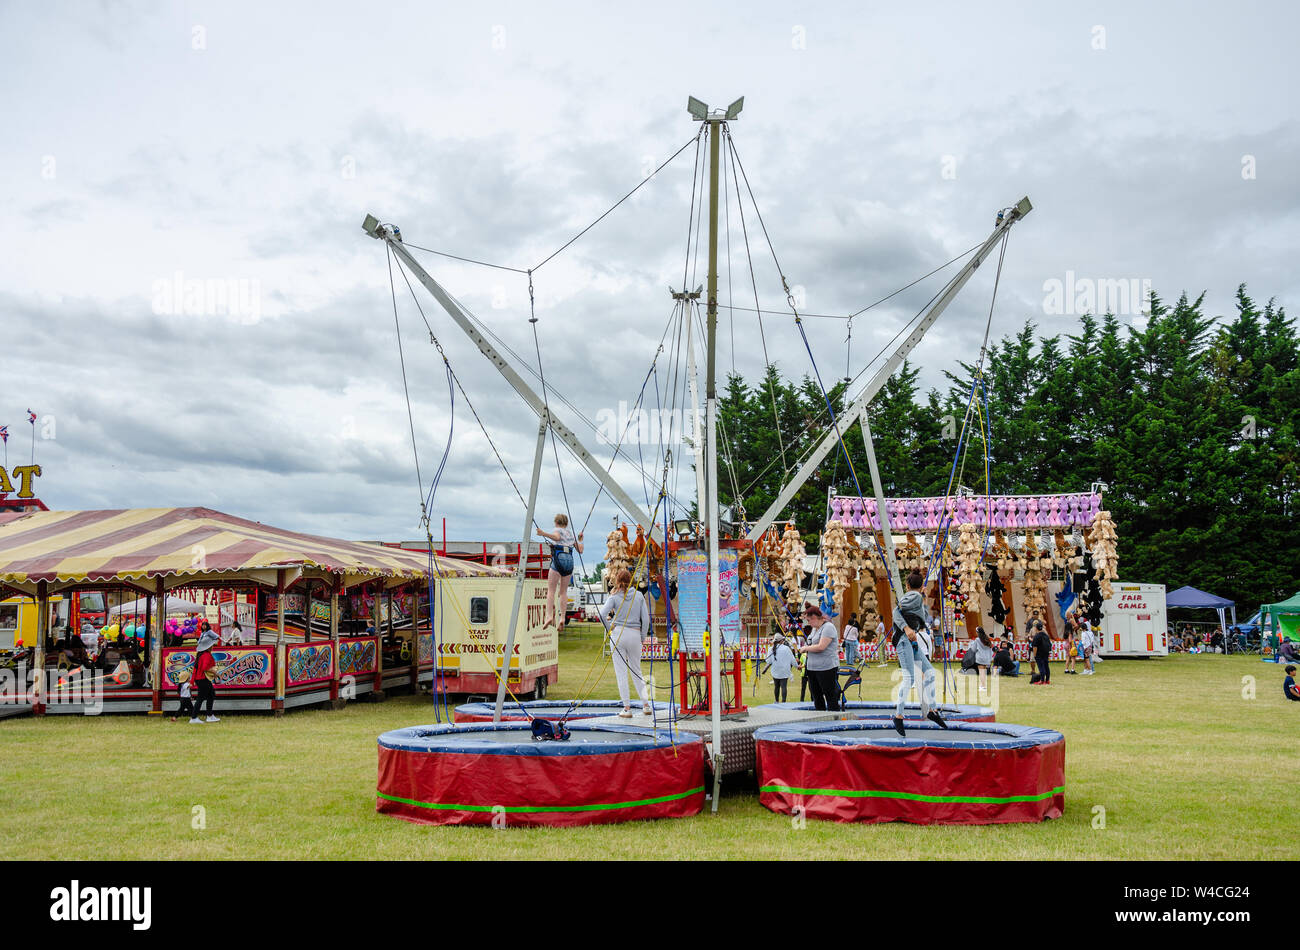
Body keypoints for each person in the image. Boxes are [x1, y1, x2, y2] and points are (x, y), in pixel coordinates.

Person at [890, 572, 948, 735]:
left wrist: (922, 595)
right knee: (909, 678)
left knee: (929, 672)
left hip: (910, 640)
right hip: (903, 639)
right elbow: (897, 612)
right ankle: (899, 716)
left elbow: (918, 616)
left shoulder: (916, 596)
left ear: (907, 585)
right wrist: (907, 628)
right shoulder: (914, 596)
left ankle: (932, 709)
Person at [600, 568, 651, 717]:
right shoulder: (639, 595)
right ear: (631, 581)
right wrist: (642, 637)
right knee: (637, 671)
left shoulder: (614, 596)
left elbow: (602, 614)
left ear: (617, 580)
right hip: (635, 634)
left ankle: (627, 708)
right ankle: (646, 705)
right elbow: (646, 619)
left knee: (621, 672)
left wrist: (610, 628)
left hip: (619, 634)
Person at [537, 513, 584, 633]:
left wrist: (543, 533)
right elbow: (580, 550)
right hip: (569, 560)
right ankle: (562, 617)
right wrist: (580, 540)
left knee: (551, 590)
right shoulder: (570, 534)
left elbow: (556, 537)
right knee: (563, 592)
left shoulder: (557, 530)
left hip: (559, 558)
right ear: (566, 523)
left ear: (556, 522)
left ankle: (548, 616)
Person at [795, 604, 840, 712]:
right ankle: (820, 716)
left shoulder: (828, 627)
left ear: (815, 618)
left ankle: (834, 717)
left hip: (826, 668)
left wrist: (806, 648)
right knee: (816, 696)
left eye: (809, 620)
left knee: (830, 695)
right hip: (812, 668)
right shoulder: (815, 629)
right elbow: (812, 643)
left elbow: (821, 647)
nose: (808, 623)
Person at [190, 629, 220, 723]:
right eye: (211, 645)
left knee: (210, 695)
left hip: (200, 679)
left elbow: (197, 668)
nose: (213, 646)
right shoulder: (206, 655)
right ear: (208, 646)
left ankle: (209, 715)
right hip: (203, 679)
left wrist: (192, 680)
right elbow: (205, 667)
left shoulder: (200, 654)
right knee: (202, 698)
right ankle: (194, 717)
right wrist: (215, 673)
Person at [762, 633, 797, 703]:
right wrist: (797, 666)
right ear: (781, 641)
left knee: (776, 686)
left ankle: (776, 701)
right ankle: (783, 702)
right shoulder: (786, 648)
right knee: (784, 686)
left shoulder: (770, 649)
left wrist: (765, 669)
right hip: (785, 671)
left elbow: (768, 661)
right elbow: (792, 659)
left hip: (775, 671)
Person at [1029, 620, 1051, 685]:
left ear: (1036, 628)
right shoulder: (1046, 635)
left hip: (1039, 654)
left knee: (1041, 667)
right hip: (1046, 653)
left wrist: (1035, 655)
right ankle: (1047, 680)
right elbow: (1049, 644)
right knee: (1046, 666)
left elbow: (1035, 647)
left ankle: (1042, 680)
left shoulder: (1036, 636)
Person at [973, 626, 994, 693]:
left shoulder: (977, 640)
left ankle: (983, 686)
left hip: (980, 658)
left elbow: (973, 649)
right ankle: (983, 685)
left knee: (981, 673)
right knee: (984, 672)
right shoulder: (987, 639)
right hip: (986, 658)